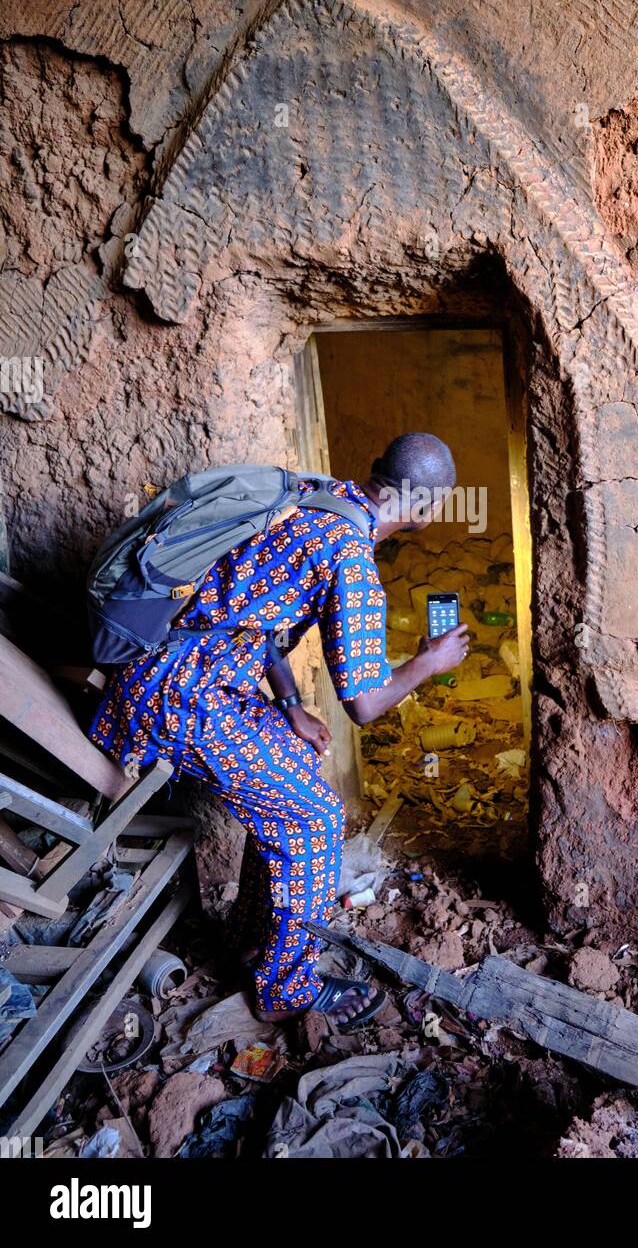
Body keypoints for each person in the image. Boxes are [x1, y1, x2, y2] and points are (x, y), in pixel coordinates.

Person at [88, 434, 469, 1028]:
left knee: (294, 762)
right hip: (178, 695)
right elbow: (365, 705)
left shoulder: (311, 496)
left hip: (166, 668)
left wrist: (289, 701)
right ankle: (286, 986)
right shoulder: (351, 557)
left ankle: (252, 935)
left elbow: (254, 609)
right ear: (424, 511)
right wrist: (427, 663)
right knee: (315, 816)